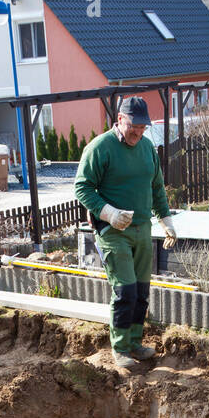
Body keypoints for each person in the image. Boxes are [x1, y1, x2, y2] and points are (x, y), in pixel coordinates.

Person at [74, 96, 177, 370]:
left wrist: (165, 220)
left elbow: (156, 188)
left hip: (143, 229)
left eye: (143, 127)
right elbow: (82, 188)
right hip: (113, 232)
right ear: (120, 119)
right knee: (125, 291)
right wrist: (108, 213)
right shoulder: (100, 148)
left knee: (141, 292)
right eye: (134, 126)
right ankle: (120, 347)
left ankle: (134, 342)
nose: (138, 132)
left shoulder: (147, 149)